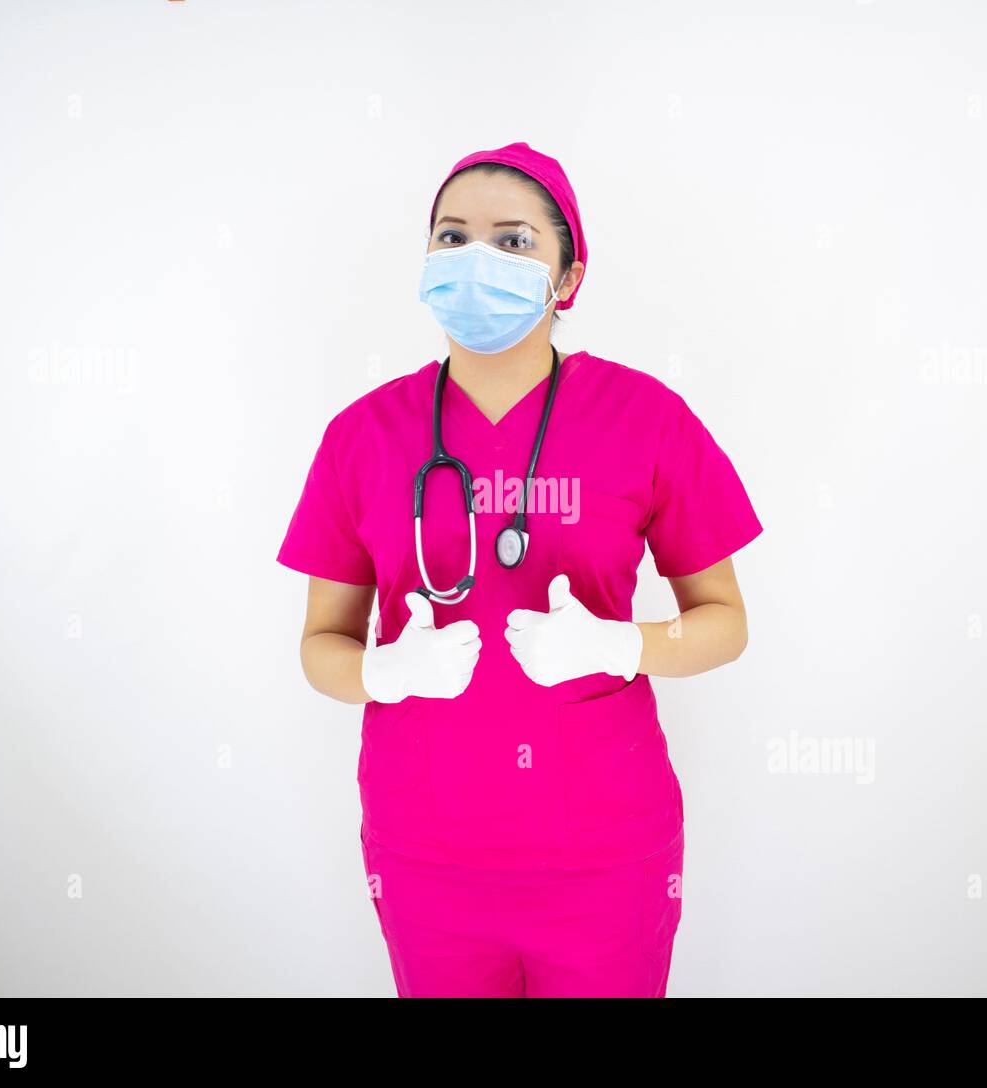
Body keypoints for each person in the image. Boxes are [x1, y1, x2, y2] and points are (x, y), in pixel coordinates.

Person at [277, 141, 763, 997]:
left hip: (608, 853)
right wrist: (384, 671)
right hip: (425, 852)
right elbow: (321, 644)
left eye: (511, 243)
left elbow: (725, 621)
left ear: (568, 277)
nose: (475, 261)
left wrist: (621, 645)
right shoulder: (362, 437)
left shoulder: (645, 418)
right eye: (452, 237)